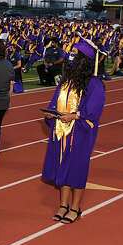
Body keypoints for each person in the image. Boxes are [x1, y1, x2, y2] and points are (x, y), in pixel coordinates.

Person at [41, 38, 105, 223]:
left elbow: (92, 112)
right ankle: (63, 205)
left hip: (80, 134)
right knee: (62, 168)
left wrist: (74, 116)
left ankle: (75, 208)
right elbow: (55, 102)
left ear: (83, 60)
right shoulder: (65, 82)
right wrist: (50, 114)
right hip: (60, 131)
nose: (70, 57)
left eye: (75, 54)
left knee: (76, 170)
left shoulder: (94, 84)